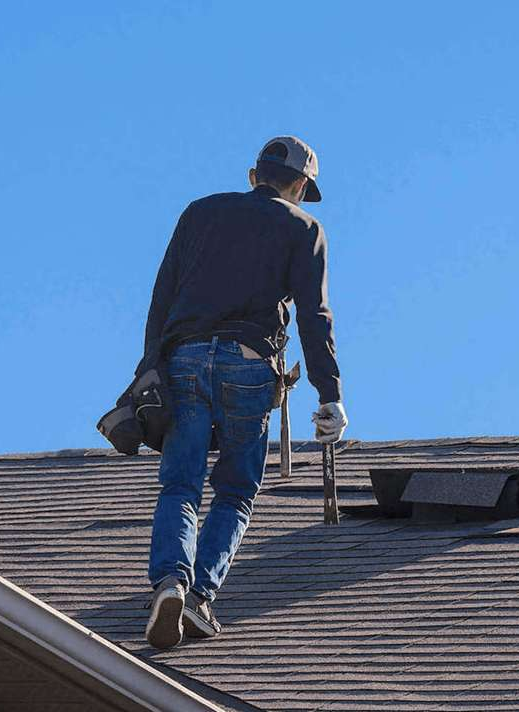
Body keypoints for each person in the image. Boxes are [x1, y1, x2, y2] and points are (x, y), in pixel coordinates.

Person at [141, 136, 347, 649]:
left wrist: (150, 367)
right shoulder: (304, 228)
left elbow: (162, 295)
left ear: (254, 176)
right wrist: (329, 394)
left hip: (184, 356)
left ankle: (170, 582)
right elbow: (314, 316)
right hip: (251, 362)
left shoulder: (199, 213)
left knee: (180, 484)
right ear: (299, 186)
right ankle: (199, 597)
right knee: (234, 490)